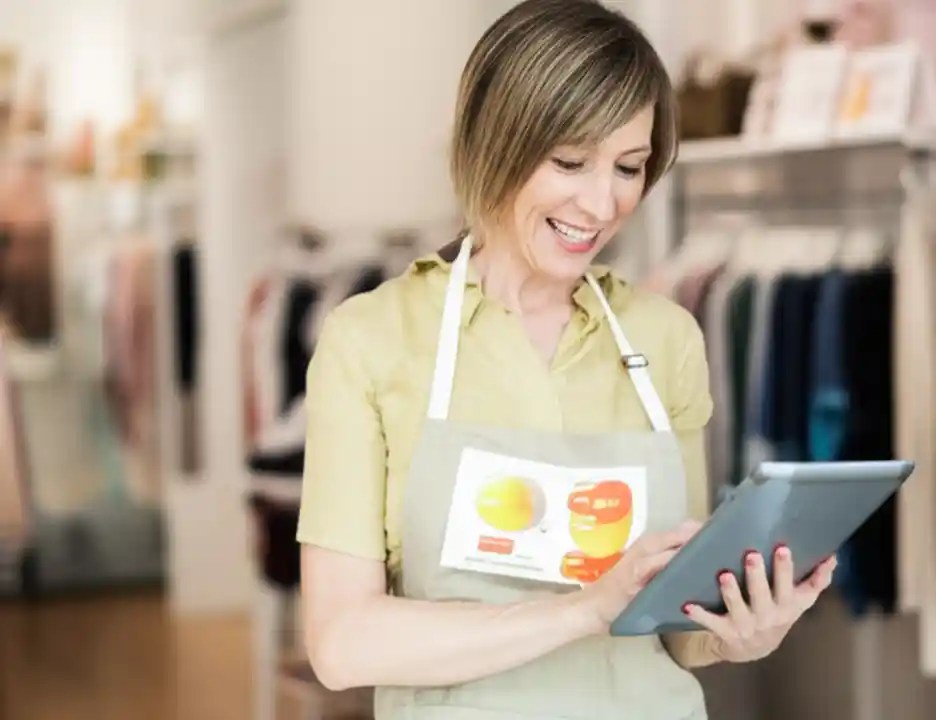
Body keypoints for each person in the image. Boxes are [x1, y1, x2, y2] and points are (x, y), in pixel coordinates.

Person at [297, 1, 836, 717]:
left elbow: (677, 628)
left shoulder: (664, 338)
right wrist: (585, 610)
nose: (601, 202)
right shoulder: (370, 339)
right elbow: (342, 643)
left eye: (629, 167)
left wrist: (749, 629)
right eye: (570, 162)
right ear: (497, 140)